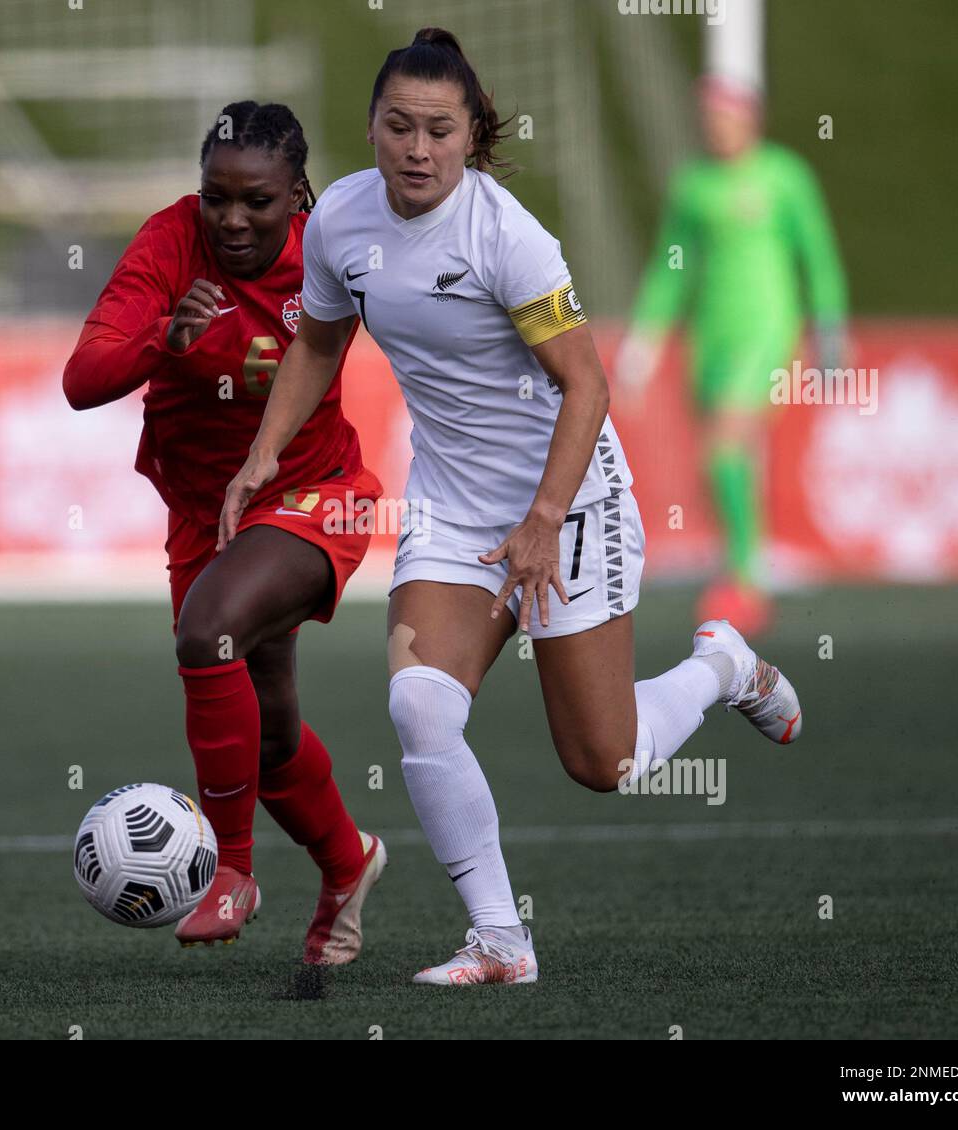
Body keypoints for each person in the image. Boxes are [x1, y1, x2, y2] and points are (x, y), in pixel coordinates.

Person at [220, 31, 803, 986]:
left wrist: (541, 519)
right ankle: (501, 939)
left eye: (438, 130)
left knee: (603, 762)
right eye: (398, 126)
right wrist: (263, 451)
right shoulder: (339, 225)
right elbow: (320, 343)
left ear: (471, 135)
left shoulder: (508, 238)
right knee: (419, 703)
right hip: (450, 505)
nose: (416, 148)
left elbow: (587, 386)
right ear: (370, 128)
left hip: (570, 502)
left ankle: (721, 665)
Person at [63, 101, 386, 965]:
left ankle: (231, 870)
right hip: (207, 514)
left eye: (258, 202)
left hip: (320, 492)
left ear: (298, 197)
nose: (233, 219)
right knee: (270, 736)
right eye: (217, 197)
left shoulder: (334, 248)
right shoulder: (169, 241)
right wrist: (166, 338)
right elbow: (83, 377)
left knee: (205, 635)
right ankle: (349, 865)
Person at [616, 73, 849, 635]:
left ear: (750, 117)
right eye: (709, 116)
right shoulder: (692, 186)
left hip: (766, 329)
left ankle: (745, 578)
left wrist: (830, 326)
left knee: (724, 445)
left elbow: (816, 254)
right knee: (724, 460)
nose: (716, 126)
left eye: (726, 114)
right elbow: (671, 271)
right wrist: (644, 341)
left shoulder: (784, 177)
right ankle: (747, 557)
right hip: (711, 336)